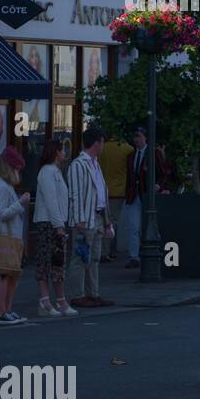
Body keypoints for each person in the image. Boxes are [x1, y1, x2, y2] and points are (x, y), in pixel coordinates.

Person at [66, 127, 115, 308]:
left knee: (94, 258)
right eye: (102, 142)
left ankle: (93, 293)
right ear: (96, 143)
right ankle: (77, 294)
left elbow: (102, 192)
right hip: (85, 219)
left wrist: (107, 220)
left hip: (98, 216)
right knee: (80, 257)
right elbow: (75, 194)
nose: (103, 146)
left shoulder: (95, 163)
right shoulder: (78, 165)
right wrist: (79, 219)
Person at [0, 147, 30, 323]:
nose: (18, 172)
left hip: (9, 237)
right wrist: (21, 203)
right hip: (3, 237)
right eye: (17, 168)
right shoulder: (3, 187)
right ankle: (1, 312)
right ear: (10, 168)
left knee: (11, 275)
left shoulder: (3, 186)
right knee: (4, 275)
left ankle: (7, 310)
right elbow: (2, 214)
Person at [32, 139, 76, 317]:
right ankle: (45, 300)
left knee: (57, 262)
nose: (64, 153)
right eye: (62, 150)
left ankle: (60, 300)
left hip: (55, 221)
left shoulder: (55, 171)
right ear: (56, 152)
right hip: (48, 222)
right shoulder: (47, 172)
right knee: (47, 260)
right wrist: (59, 225)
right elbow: (51, 200)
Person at [122, 126, 169, 268]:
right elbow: (129, 176)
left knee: (148, 225)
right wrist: (127, 192)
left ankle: (149, 253)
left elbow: (163, 173)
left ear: (145, 137)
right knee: (132, 226)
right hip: (133, 194)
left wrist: (159, 186)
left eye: (139, 136)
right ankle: (134, 256)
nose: (137, 139)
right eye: (135, 136)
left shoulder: (153, 153)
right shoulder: (131, 156)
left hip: (147, 194)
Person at [99, 132, 133, 263]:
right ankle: (107, 251)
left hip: (103, 190)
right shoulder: (127, 149)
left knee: (104, 220)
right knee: (113, 221)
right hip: (118, 190)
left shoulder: (103, 148)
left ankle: (107, 250)